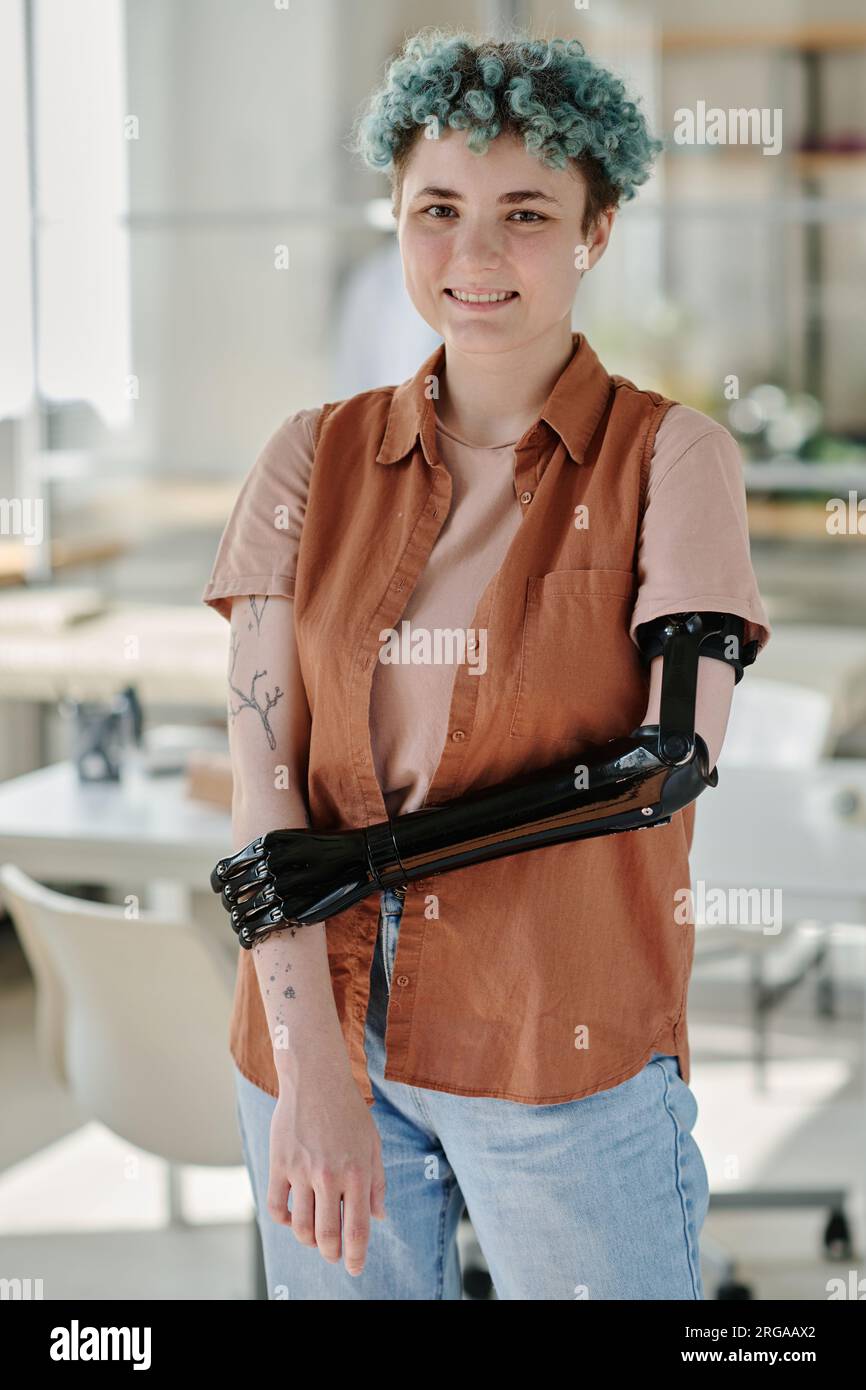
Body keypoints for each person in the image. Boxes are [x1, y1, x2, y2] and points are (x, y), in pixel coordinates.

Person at [201, 29, 771, 1300]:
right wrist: (311, 1067)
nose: (474, 253)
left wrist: (360, 859)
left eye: (525, 213)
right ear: (397, 220)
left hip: (557, 1049)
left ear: (595, 229)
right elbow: (264, 790)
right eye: (437, 210)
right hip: (316, 1030)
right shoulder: (306, 459)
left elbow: (663, 767)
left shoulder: (671, 461)